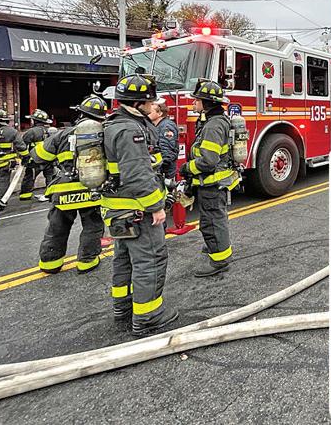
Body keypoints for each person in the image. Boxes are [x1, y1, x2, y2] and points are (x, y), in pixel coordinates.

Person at [101, 73, 177, 336]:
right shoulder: (131, 130)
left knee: (124, 258)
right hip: (137, 208)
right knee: (150, 260)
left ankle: (123, 308)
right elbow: (136, 174)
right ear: (139, 103)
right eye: (149, 101)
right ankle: (148, 317)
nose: (152, 105)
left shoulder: (113, 124)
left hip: (118, 208)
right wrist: (156, 206)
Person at [32, 95, 107, 275]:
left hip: (63, 188)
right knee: (92, 226)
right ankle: (87, 261)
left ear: (80, 114)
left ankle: (50, 263)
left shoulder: (62, 134)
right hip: (92, 188)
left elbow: (39, 157)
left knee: (57, 227)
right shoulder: (103, 134)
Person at [180, 80, 240, 278]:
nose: (193, 103)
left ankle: (220, 260)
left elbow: (208, 161)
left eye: (196, 100)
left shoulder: (213, 126)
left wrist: (187, 168)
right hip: (213, 182)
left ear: (206, 102)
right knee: (215, 219)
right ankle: (217, 246)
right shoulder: (213, 121)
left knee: (212, 222)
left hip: (212, 183)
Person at [148, 97, 180, 226]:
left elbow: (167, 155)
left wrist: (153, 165)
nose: (147, 113)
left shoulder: (166, 127)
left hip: (164, 174)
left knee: (161, 208)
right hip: (158, 174)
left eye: (151, 111)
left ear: (160, 113)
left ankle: (161, 238)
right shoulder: (155, 126)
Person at [18, 108, 55, 202]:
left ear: (34, 121)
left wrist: (24, 158)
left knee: (29, 177)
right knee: (50, 177)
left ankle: (25, 195)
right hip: (48, 159)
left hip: (34, 160)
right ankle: (50, 194)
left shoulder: (31, 132)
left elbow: (23, 145)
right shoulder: (50, 131)